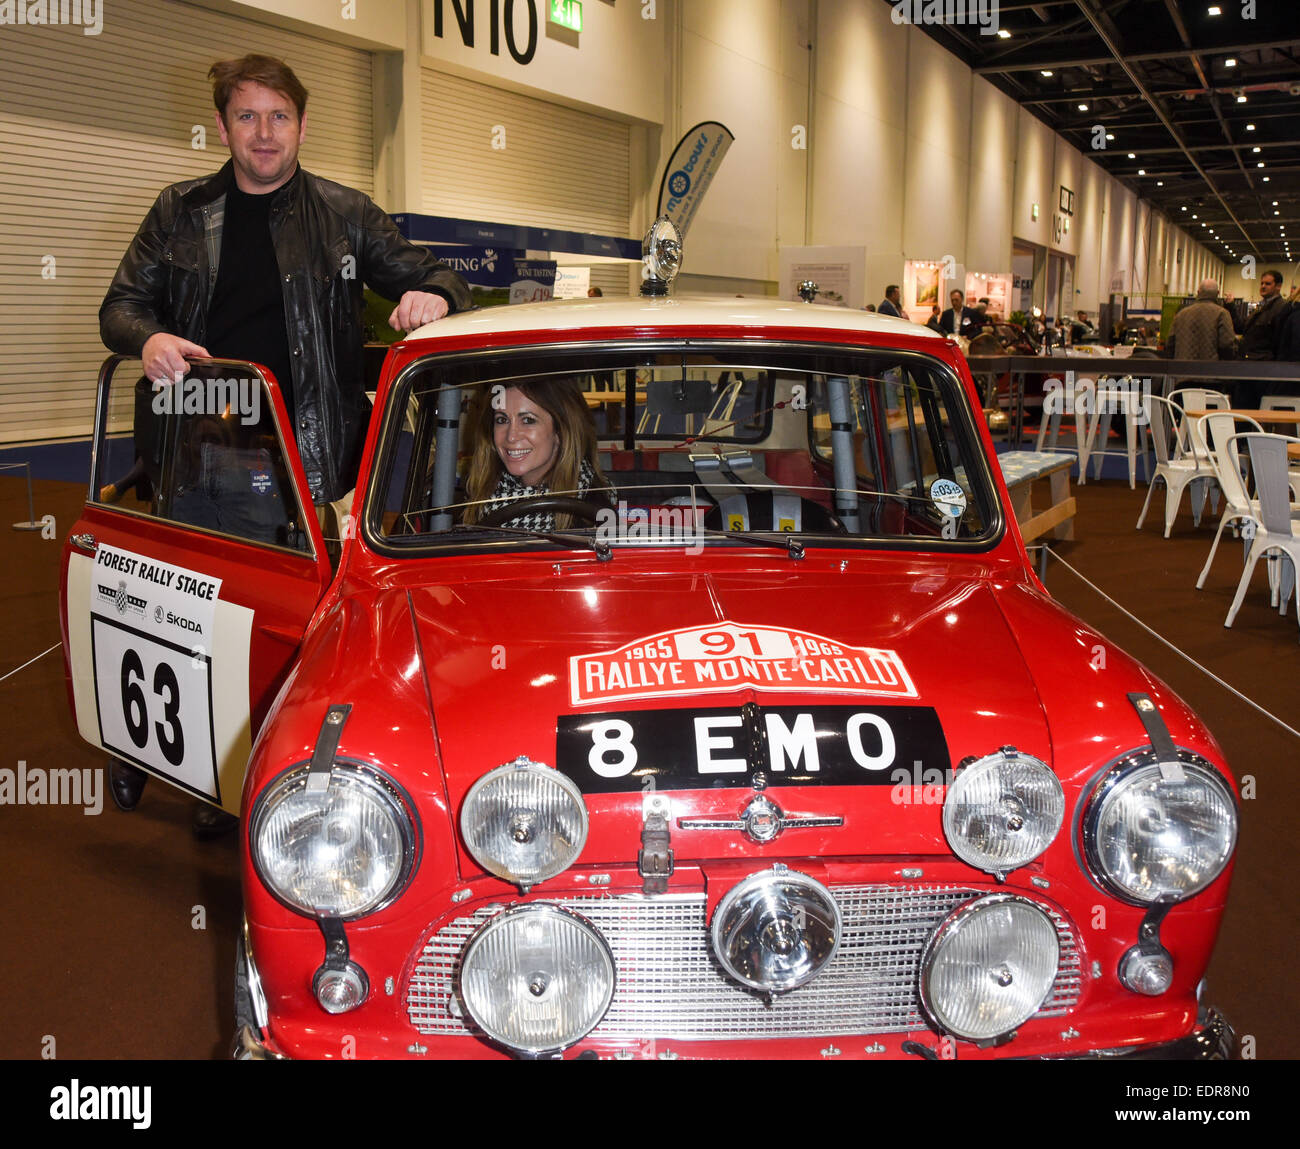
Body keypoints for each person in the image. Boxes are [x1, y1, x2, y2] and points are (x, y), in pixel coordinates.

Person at [98, 54, 472, 835]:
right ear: (224, 125)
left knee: (298, 623)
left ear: (302, 125)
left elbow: (439, 278)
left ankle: (281, 776)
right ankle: (196, 771)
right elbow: (119, 307)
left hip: (307, 458)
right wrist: (152, 336)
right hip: (198, 454)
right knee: (196, 619)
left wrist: (429, 293)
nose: (263, 133)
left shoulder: (345, 213)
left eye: (278, 117)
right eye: (246, 116)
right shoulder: (179, 210)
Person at [464, 379, 609, 531]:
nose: (511, 436)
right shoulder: (483, 493)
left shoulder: (593, 515)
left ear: (559, 432)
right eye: (502, 420)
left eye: (528, 420)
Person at [1235, 270, 1292, 405]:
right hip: (1249, 366)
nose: (1263, 286)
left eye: (1268, 283)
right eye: (1261, 283)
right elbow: (1243, 327)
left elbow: (1278, 341)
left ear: (1278, 286)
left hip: (1264, 369)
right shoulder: (1261, 307)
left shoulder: (1281, 308)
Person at [1167, 280, 1235, 361]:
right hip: (1209, 370)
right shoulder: (1222, 314)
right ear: (1218, 293)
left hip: (1182, 369)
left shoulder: (1181, 314)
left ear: (1198, 292)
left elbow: (1170, 344)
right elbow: (1227, 345)